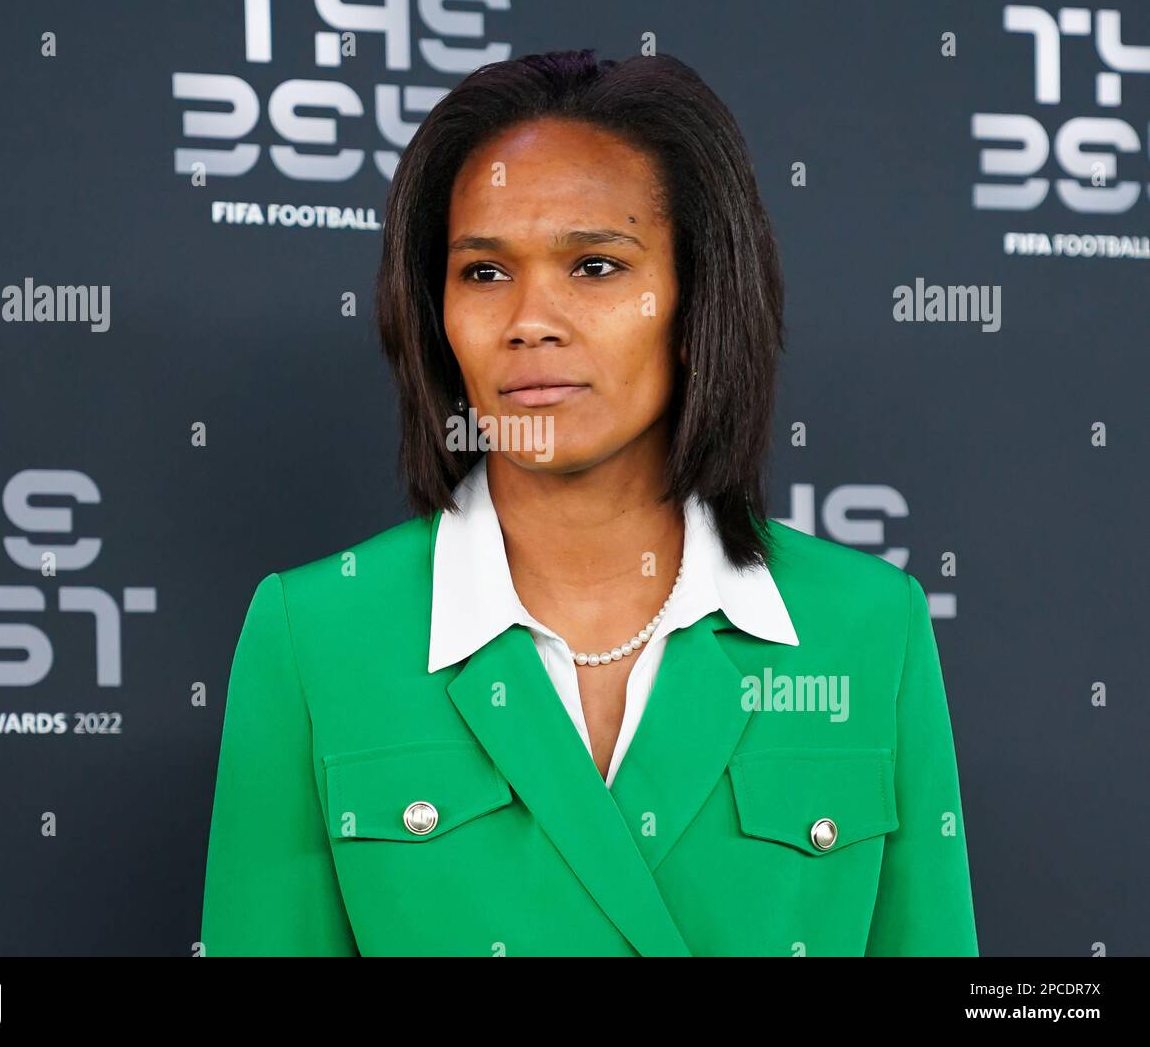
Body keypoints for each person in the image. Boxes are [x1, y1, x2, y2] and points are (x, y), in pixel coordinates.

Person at [200, 49, 978, 957]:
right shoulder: (314, 632)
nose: (531, 318)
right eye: (484, 272)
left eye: (596, 267)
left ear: (700, 301)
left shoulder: (867, 623)